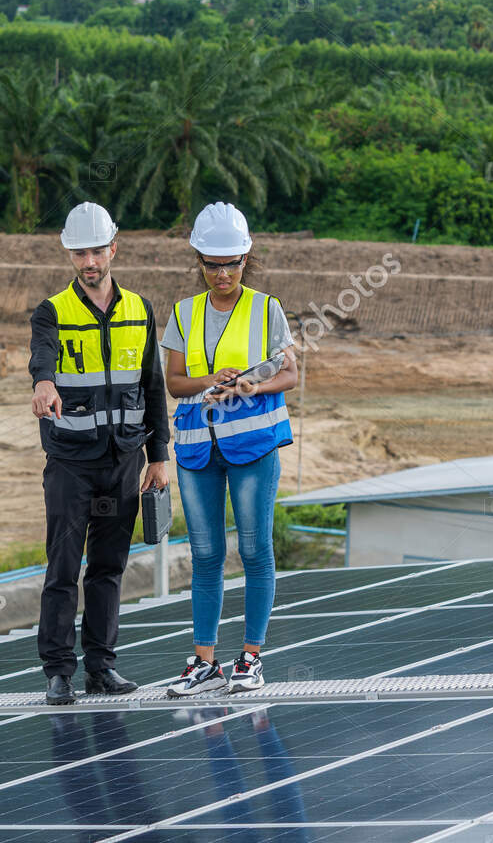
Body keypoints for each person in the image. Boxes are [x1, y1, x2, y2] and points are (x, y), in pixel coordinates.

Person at [30, 201, 171, 705]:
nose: (89, 261)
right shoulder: (52, 311)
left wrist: (159, 455)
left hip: (124, 460)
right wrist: (44, 383)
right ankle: (58, 671)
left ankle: (100, 666)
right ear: (69, 254)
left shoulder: (140, 308)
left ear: (114, 248)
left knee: (109, 566)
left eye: (96, 250)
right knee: (63, 565)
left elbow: (152, 386)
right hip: (70, 463)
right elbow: (42, 356)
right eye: (79, 252)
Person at [160, 202, 298, 697]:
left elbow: (289, 373)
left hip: (254, 446)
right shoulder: (182, 314)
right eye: (213, 264)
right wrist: (208, 381)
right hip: (198, 449)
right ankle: (204, 663)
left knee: (255, 549)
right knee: (205, 554)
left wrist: (247, 388)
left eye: (232, 263)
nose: (222, 273)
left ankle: (251, 658)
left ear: (246, 258)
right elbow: (175, 383)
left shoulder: (266, 309)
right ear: (199, 261)